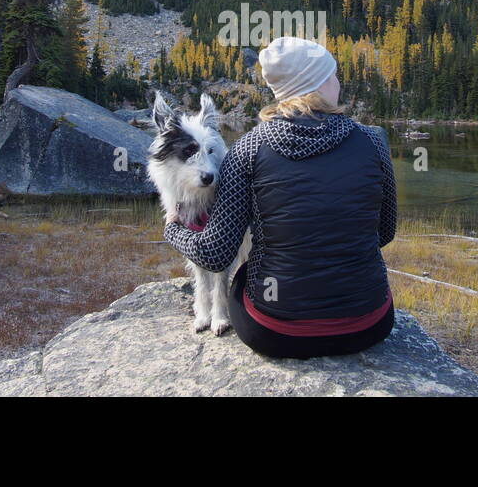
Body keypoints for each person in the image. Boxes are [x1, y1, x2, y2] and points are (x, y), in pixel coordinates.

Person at [163, 36, 398, 358]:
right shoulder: (373, 140)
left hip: (276, 332)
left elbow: (215, 254)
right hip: (369, 324)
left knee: (250, 275)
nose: (338, 82)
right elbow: (384, 233)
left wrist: (173, 228)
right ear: (315, 84)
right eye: (332, 75)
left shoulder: (247, 149)